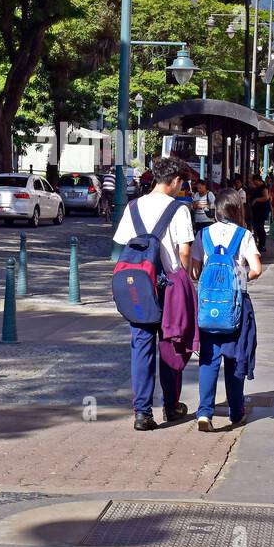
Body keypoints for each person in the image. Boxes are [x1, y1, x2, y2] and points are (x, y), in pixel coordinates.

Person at [113, 157, 195, 431]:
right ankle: (171, 406)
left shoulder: (133, 206)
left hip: (139, 285)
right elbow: (184, 251)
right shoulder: (179, 209)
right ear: (174, 181)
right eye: (181, 183)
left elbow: (125, 244)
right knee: (171, 343)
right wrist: (185, 277)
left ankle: (142, 413)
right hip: (170, 286)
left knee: (141, 346)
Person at [190, 188, 261, 430]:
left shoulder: (203, 234)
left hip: (209, 308)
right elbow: (256, 269)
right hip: (236, 306)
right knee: (234, 360)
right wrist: (240, 279)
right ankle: (236, 412)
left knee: (208, 360)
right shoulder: (244, 235)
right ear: (235, 208)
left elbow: (194, 271)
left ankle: (204, 413)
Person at [245, 172, 271, 254]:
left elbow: (266, 197)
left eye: (253, 181)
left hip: (261, 210)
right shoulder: (256, 187)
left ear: (257, 180)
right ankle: (259, 243)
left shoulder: (263, 187)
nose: (253, 182)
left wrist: (256, 200)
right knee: (257, 227)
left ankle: (262, 244)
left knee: (260, 227)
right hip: (256, 210)